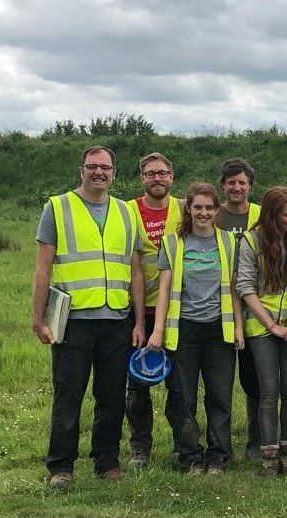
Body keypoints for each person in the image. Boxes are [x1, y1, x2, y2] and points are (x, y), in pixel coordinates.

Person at [33, 145, 145, 489]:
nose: (99, 172)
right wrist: (39, 318)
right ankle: (61, 467)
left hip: (116, 319)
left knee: (111, 395)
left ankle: (106, 461)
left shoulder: (127, 212)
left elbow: (136, 271)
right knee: (68, 394)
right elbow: (43, 267)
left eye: (106, 167)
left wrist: (140, 321)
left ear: (114, 173)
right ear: (82, 170)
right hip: (73, 321)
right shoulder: (58, 207)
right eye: (92, 166)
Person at [147, 182, 244, 475]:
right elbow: (163, 290)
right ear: (188, 209)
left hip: (219, 331)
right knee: (182, 396)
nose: (203, 213)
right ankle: (189, 456)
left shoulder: (229, 242)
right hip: (183, 330)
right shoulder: (173, 243)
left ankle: (218, 457)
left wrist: (239, 328)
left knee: (219, 396)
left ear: (217, 210)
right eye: (198, 207)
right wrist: (157, 330)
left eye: (209, 208)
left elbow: (235, 289)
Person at [237, 186, 287, 476]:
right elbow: (245, 287)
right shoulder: (251, 241)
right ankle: (268, 455)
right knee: (268, 392)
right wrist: (271, 325)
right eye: (286, 214)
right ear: (271, 215)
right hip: (262, 325)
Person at [124, 152, 183, 469]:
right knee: (138, 384)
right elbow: (133, 268)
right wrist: (137, 320)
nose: (157, 178)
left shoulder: (185, 208)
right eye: (150, 174)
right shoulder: (128, 211)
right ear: (141, 178)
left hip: (176, 311)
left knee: (178, 385)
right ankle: (140, 449)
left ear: (171, 176)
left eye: (162, 173)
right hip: (139, 312)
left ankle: (181, 446)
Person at [214, 157, 262, 460]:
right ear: (223, 186)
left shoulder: (260, 214)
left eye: (241, 182)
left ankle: (256, 442)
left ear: (250, 186)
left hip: (254, 304)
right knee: (219, 380)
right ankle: (220, 444)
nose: (236, 187)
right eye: (231, 182)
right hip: (216, 305)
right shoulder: (211, 214)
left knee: (254, 379)